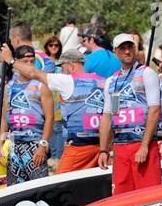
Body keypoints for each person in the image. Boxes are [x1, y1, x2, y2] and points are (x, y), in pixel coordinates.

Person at [16, 46, 103, 175]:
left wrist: (12, 61)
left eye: (62, 68)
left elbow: (34, 73)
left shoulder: (67, 80)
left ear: (71, 66)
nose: (61, 72)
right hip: (99, 146)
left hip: (78, 146)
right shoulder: (103, 81)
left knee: (60, 185)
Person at [98, 33, 162, 192]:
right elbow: (109, 116)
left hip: (142, 144)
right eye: (122, 48)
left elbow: (154, 110)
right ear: (115, 52)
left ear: (135, 48)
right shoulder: (112, 81)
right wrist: (104, 150)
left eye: (130, 47)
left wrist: (145, 146)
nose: (127, 51)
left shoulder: (146, 73)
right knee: (121, 196)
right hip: (120, 147)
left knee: (148, 196)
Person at [3, 44, 57, 184]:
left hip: (34, 145)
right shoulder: (8, 87)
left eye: (32, 61)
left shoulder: (41, 85)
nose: (29, 65)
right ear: (16, 62)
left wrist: (43, 145)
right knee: (15, 191)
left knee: (40, 189)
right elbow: (4, 116)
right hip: (14, 146)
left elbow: (50, 117)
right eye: (25, 62)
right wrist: (2, 142)